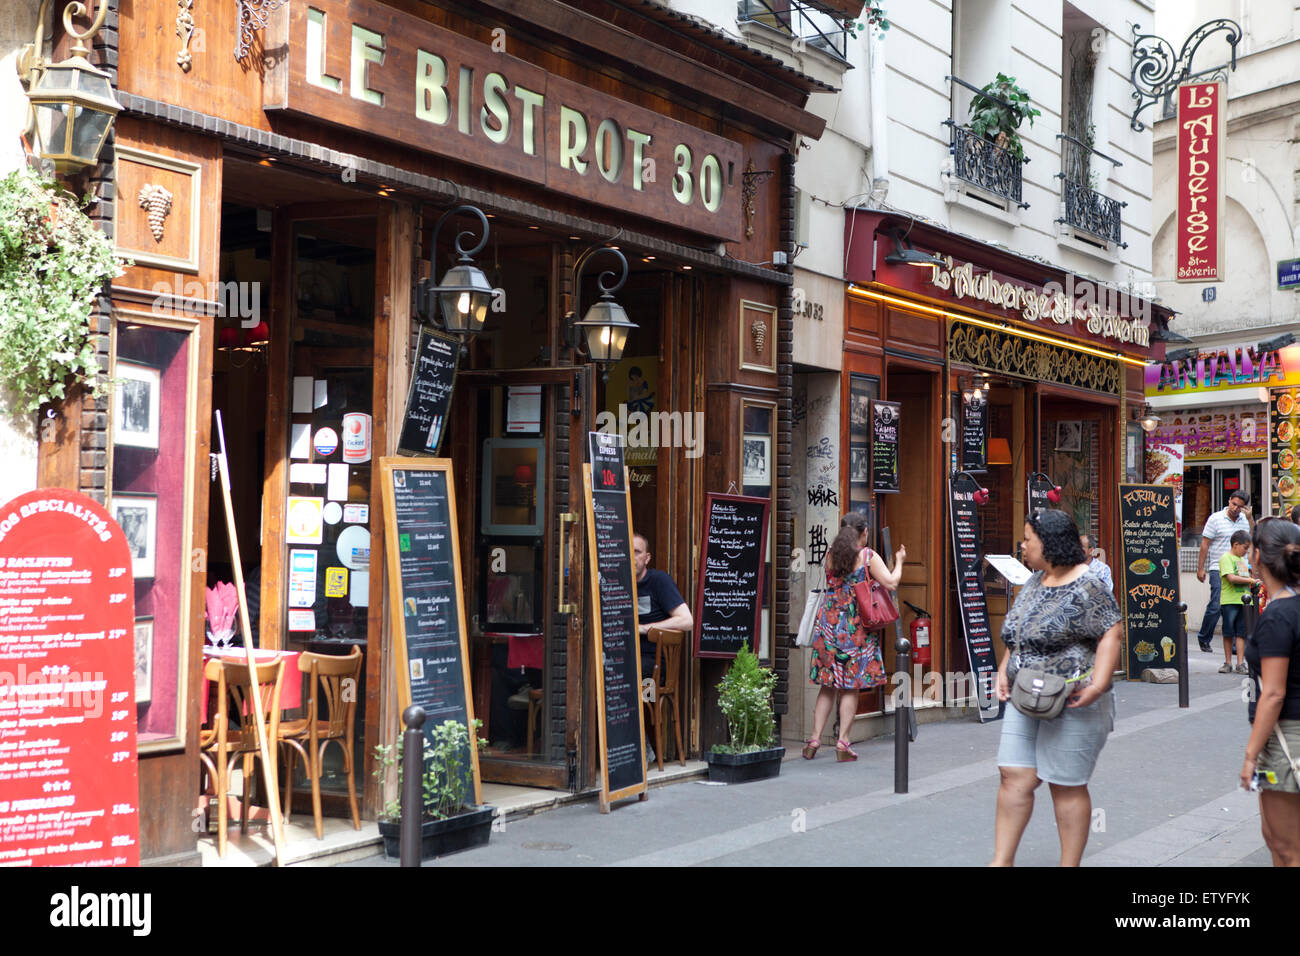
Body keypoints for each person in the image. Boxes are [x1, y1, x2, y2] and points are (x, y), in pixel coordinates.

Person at [992, 509, 1122, 867]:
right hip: (1025, 694)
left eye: (1028, 539)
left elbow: (1111, 631)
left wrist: (1098, 682)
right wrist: (1004, 668)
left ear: (1048, 543)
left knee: (1064, 784)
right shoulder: (1036, 581)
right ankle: (1001, 862)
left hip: (1074, 698)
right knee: (1013, 775)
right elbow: (1017, 633)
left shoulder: (1088, 583)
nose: (1023, 545)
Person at [804, 512, 905, 762]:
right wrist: (900, 561)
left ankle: (815, 738)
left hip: (828, 625)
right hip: (854, 628)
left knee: (828, 686)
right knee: (851, 686)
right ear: (864, 533)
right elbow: (891, 583)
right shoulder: (867, 556)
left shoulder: (831, 555)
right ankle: (843, 742)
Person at [1239, 518, 1300, 866]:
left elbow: (1273, 693)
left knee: (1285, 845)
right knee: (1277, 840)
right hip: (1285, 735)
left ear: (1259, 555)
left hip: (1286, 738)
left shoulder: (1280, 614)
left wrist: (1250, 756)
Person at [1197, 491, 1254, 653]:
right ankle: (1204, 638)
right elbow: (1205, 544)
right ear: (1229, 501)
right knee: (1216, 605)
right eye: (1234, 504)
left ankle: (1237, 645)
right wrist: (1200, 568)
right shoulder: (1215, 518)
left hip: (1241, 568)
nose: (1236, 508)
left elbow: (1254, 535)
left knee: (1238, 606)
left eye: (1240, 506)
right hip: (1219, 567)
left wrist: (1249, 518)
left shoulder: (1245, 519)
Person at [633, 532, 692, 675]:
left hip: (654, 662)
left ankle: (647, 698)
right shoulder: (614, 583)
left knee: (634, 672)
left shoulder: (659, 580)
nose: (631, 556)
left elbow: (687, 621)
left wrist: (645, 628)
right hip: (622, 656)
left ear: (647, 558)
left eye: (636, 552)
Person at [1219, 529, 1253, 674]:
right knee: (1228, 632)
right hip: (1230, 600)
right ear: (1236, 545)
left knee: (1241, 633)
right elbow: (1231, 578)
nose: (1246, 551)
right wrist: (1250, 580)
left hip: (1244, 601)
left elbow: (1245, 579)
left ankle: (1240, 662)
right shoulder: (1226, 558)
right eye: (1245, 548)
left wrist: (1252, 581)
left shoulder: (1242, 560)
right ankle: (1228, 662)